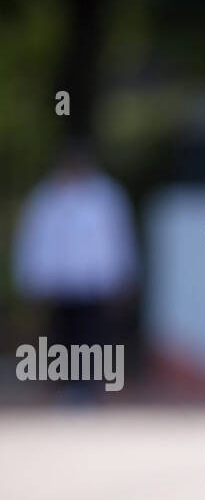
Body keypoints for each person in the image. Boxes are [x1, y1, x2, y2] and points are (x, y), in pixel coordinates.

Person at [12, 137, 139, 402]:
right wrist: (32, 277)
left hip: (93, 282)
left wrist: (121, 276)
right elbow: (36, 240)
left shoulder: (106, 197)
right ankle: (68, 385)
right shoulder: (47, 197)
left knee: (91, 336)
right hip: (60, 283)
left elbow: (118, 239)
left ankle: (88, 386)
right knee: (63, 337)